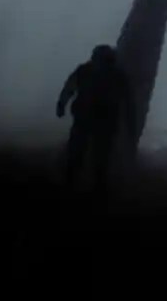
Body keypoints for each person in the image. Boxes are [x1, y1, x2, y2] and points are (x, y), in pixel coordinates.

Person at [56, 44, 135, 194]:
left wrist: (61, 105)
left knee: (94, 154)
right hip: (94, 119)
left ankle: (86, 184)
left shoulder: (104, 73)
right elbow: (128, 101)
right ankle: (84, 183)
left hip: (98, 119)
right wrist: (61, 104)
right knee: (88, 153)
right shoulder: (112, 75)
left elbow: (69, 88)